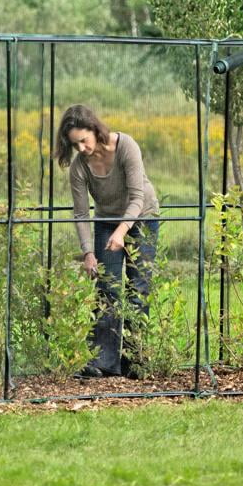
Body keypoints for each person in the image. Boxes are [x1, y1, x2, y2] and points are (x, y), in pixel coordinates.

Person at [54, 103, 160, 378]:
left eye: (83, 141)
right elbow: (80, 213)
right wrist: (89, 253)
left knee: (138, 287)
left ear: (95, 130)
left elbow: (137, 197)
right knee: (107, 290)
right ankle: (104, 362)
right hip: (106, 221)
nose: (80, 148)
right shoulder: (79, 167)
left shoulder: (126, 147)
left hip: (142, 218)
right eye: (74, 144)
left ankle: (134, 361)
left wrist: (122, 231)